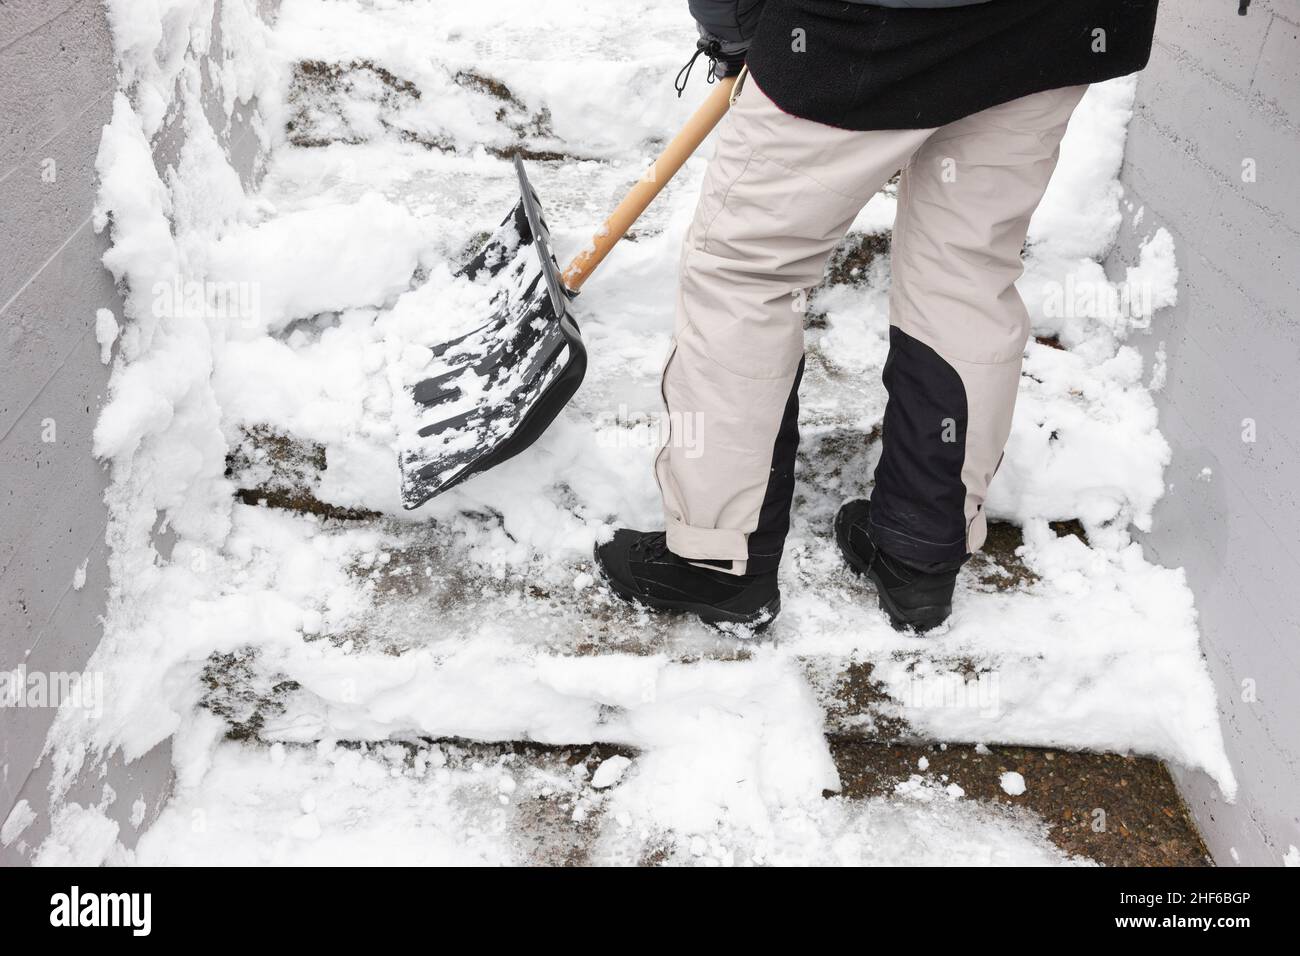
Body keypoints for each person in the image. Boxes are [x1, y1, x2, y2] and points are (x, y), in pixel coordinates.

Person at [593, 0, 1169, 632]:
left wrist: (735, 28)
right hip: (1050, 27)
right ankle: (918, 555)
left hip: (860, 25)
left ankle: (717, 559)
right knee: (966, 274)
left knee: (748, 272)